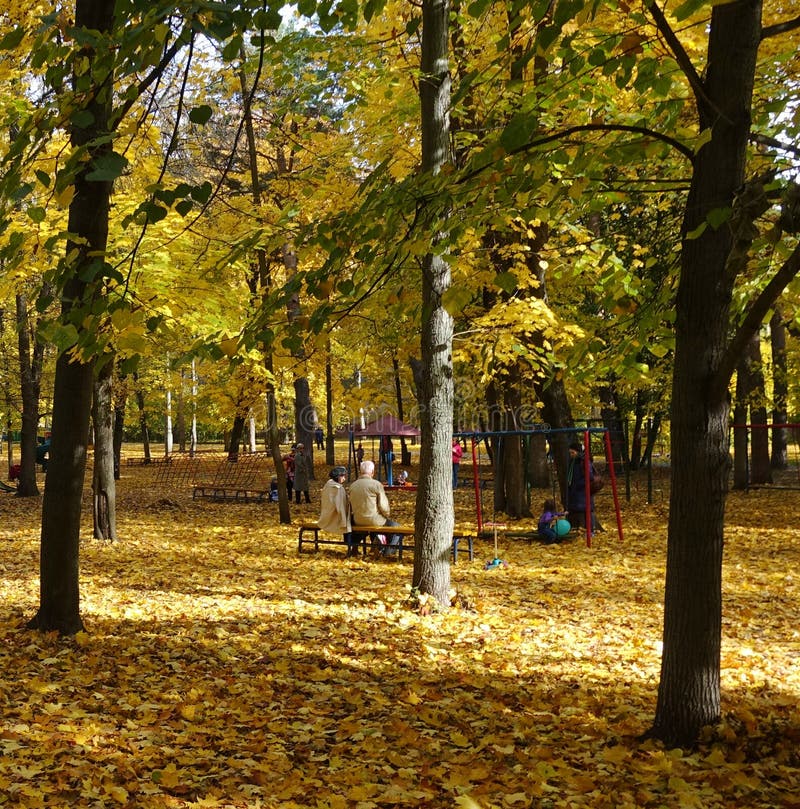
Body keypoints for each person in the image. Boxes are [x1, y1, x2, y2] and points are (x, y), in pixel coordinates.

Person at [349, 459, 400, 556]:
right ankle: (388, 552)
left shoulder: (353, 485)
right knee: (396, 527)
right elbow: (384, 506)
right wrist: (386, 515)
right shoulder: (376, 484)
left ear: (361, 471)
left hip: (357, 520)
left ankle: (375, 544)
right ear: (372, 472)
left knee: (374, 526)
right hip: (374, 520)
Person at [318, 466, 356, 557]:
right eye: (343, 476)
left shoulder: (327, 485)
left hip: (325, 516)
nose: (344, 478)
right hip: (335, 518)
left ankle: (352, 547)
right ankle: (352, 548)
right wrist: (345, 522)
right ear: (337, 477)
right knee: (351, 527)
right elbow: (341, 507)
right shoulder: (338, 489)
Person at [566, 441, 597, 530]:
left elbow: (589, 477)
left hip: (583, 491)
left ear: (578, 452)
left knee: (587, 510)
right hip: (577, 491)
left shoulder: (584, 461)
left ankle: (591, 530)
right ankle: (579, 528)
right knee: (580, 510)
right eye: (570, 453)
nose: (571, 454)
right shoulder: (573, 462)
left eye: (573, 452)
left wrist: (577, 485)